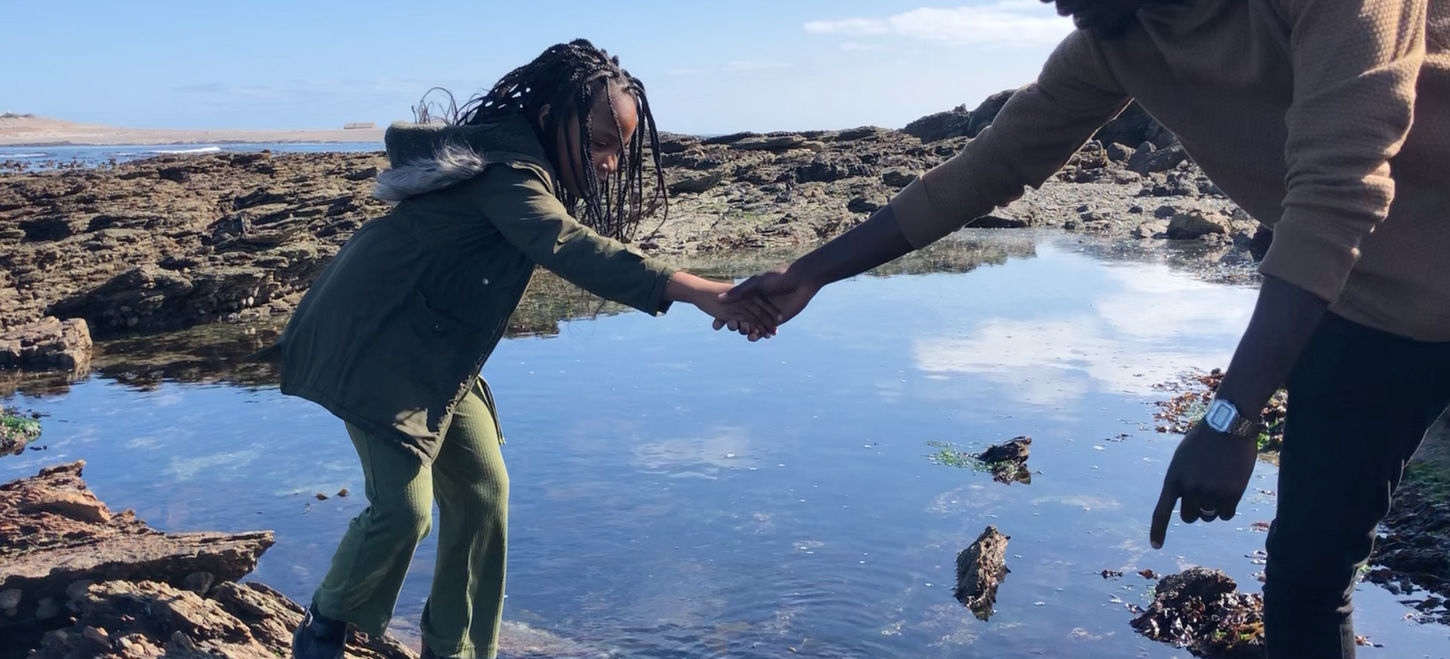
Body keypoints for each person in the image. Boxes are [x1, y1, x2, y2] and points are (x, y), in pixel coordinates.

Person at [719, 0, 1449, 656]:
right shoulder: (1118, 37)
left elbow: (1339, 189)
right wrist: (813, 270)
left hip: (1370, 266)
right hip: (1366, 313)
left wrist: (1231, 415)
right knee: (1309, 579)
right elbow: (988, 168)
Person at [259, 39, 778, 659]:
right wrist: (695, 289)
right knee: (404, 510)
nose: (612, 163)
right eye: (603, 143)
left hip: (441, 354)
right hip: (376, 344)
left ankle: (456, 649)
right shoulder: (508, 170)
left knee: (482, 494)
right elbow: (566, 242)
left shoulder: (521, 160)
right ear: (555, 116)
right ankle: (323, 627)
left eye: (621, 149)